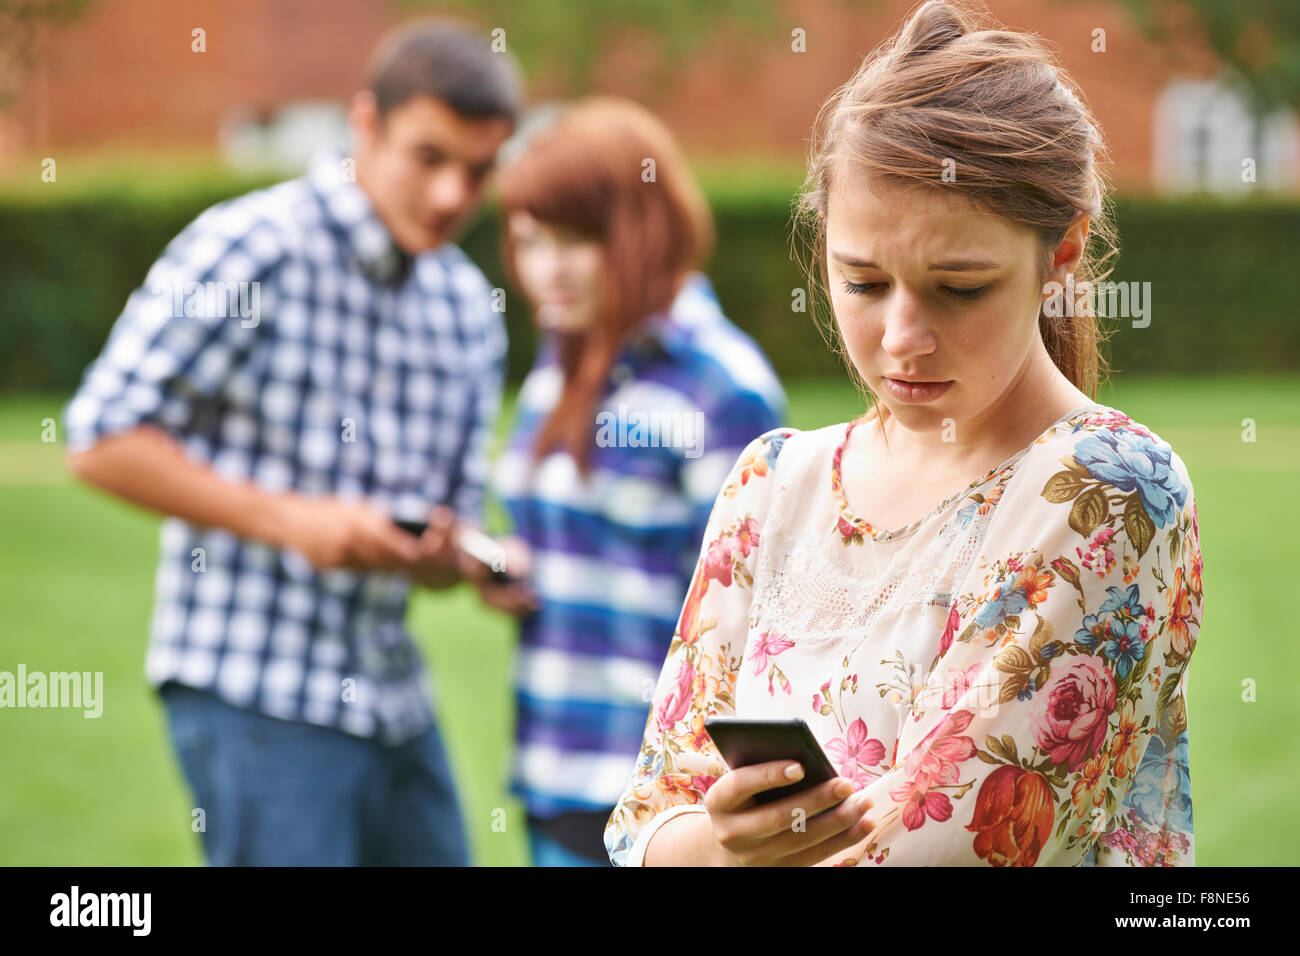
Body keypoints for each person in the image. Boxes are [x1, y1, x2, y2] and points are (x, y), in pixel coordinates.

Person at [605, 0, 1204, 867]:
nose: (901, 338)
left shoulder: (1109, 490)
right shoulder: (772, 482)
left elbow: (945, 850)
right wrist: (724, 850)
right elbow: (638, 825)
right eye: (863, 282)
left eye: (958, 287)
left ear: (1062, 254)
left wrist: (731, 850)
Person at [62, 20, 523, 866]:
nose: (454, 193)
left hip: (392, 698)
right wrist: (290, 521)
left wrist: (456, 558)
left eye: (480, 169)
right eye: (430, 158)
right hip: (254, 689)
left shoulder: (465, 306)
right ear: (366, 125)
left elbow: (446, 518)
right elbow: (99, 436)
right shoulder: (253, 248)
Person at [473, 97, 787, 866]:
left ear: (642, 228)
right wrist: (507, 565)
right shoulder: (566, 356)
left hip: (666, 797)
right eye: (527, 240)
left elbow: (762, 606)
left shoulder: (720, 386)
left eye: (574, 240)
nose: (545, 268)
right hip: (554, 767)